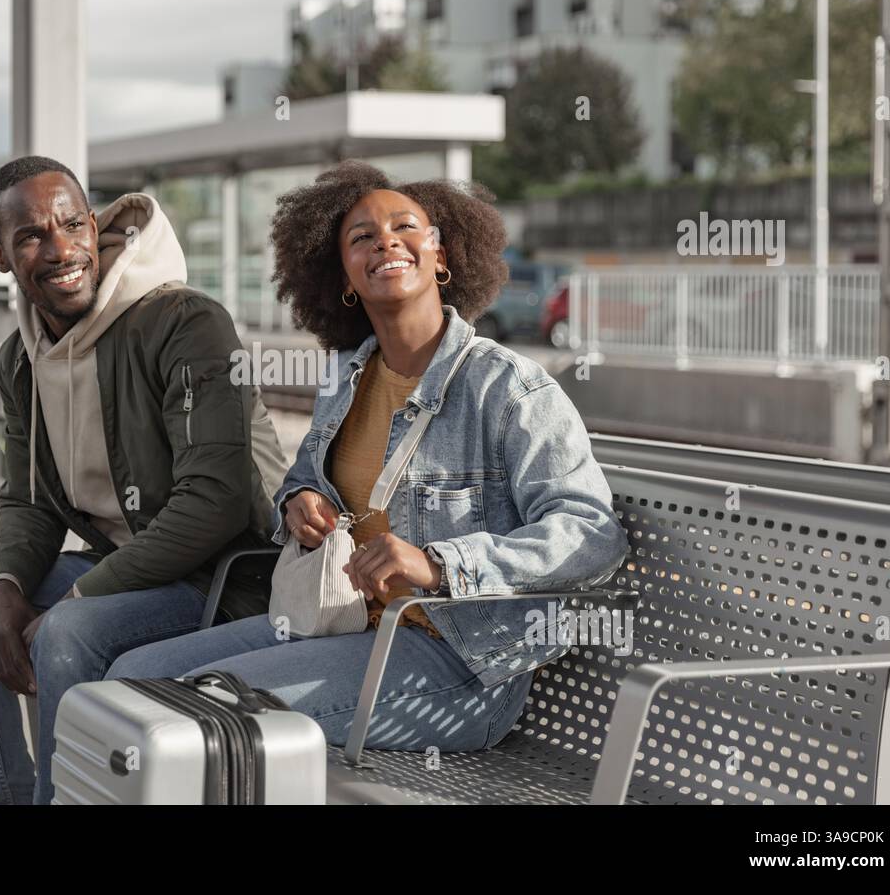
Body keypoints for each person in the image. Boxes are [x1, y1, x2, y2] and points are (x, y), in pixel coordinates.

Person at [105, 160, 629, 756]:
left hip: (459, 664)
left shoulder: (507, 387)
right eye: (361, 237)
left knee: (203, 717)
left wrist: (439, 564)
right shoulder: (349, 377)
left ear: (441, 256)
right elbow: (308, 479)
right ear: (346, 278)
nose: (385, 240)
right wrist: (301, 502)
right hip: (348, 626)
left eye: (406, 227)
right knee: (130, 678)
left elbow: (592, 535)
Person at [0, 156, 288, 804]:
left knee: (67, 633)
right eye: (31, 235)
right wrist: (3, 592)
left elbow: (220, 499)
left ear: (94, 226)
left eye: (71, 224)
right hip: (132, 571)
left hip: (230, 579)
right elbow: (30, 501)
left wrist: (81, 595)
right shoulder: (19, 359)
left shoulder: (185, 322)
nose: (60, 248)